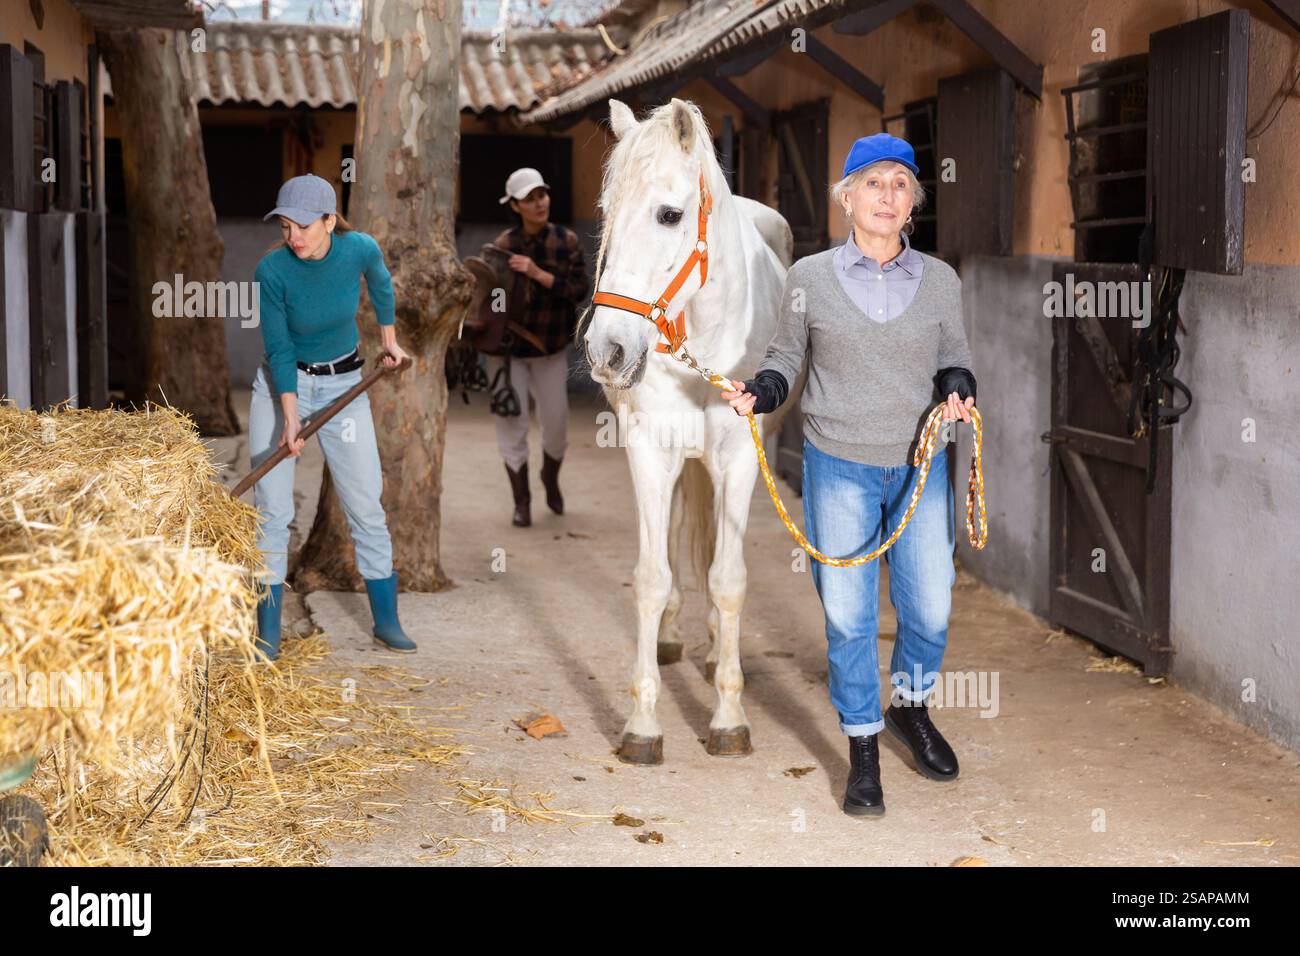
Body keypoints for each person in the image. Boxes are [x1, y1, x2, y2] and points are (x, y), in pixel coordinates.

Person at [721, 133, 978, 818]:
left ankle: (910, 708)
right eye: (873, 183)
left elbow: (954, 356)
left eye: (900, 184)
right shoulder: (809, 279)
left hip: (921, 465)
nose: (886, 196)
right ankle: (863, 744)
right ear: (847, 198)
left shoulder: (943, 280)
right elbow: (784, 357)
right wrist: (762, 391)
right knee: (849, 615)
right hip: (839, 466)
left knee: (929, 606)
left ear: (913, 201)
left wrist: (958, 385)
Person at [249, 174, 415, 660]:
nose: (293, 236)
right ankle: (267, 632)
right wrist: (290, 416)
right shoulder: (271, 270)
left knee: (365, 504)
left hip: (345, 384)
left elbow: (381, 283)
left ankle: (386, 622)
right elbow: (278, 347)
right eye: (285, 226)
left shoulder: (358, 249)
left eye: (303, 225)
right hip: (283, 384)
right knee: (273, 511)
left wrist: (389, 340)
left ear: (329, 220)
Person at [488, 167, 590, 527]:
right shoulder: (502, 246)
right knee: (510, 421)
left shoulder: (567, 241)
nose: (538, 203)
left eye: (541, 195)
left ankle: (550, 478)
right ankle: (522, 501)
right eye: (529, 199)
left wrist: (536, 274)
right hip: (510, 354)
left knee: (556, 423)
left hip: (550, 349)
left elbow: (580, 291)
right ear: (515, 205)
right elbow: (491, 302)